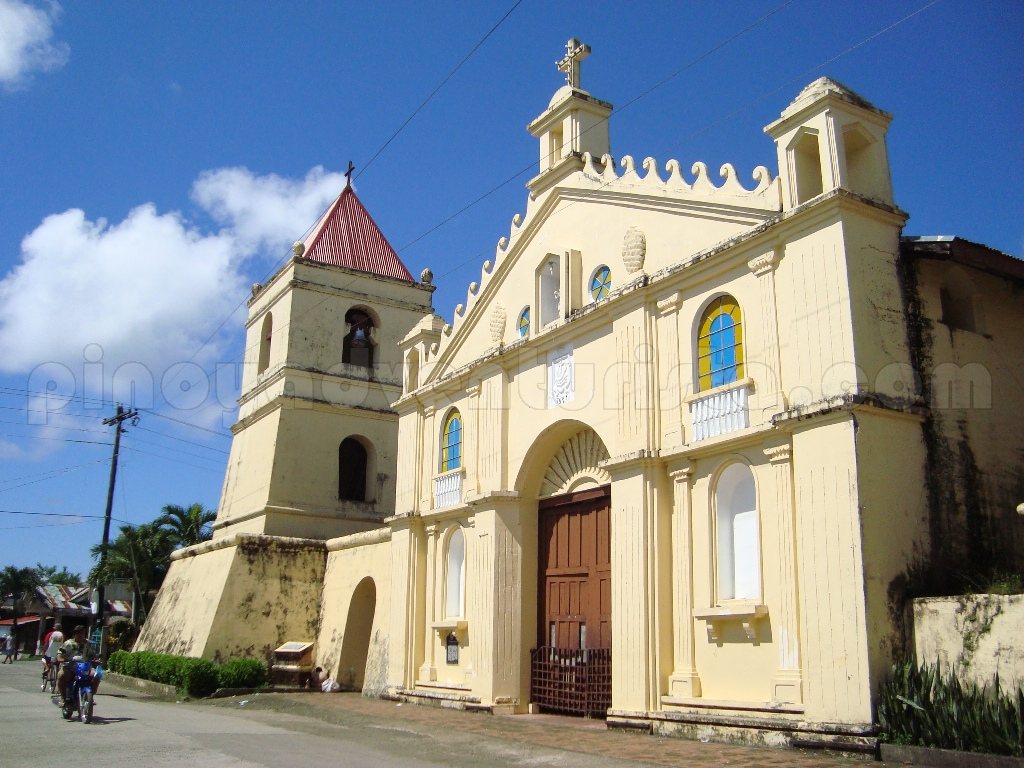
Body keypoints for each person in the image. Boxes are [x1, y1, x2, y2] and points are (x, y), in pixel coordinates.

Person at [57, 626, 99, 703]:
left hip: (85, 667)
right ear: (75, 634)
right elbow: (59, 655)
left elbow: (93, 655)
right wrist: (62, 659)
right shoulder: (68, 643)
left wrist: (96, 660)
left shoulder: (87, 644)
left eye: (83, 633)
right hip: (70, 667)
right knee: (61, 676)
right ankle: (63, 698)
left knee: (96, 675)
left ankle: (90, 696)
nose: (81, 635)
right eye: (79, 633)